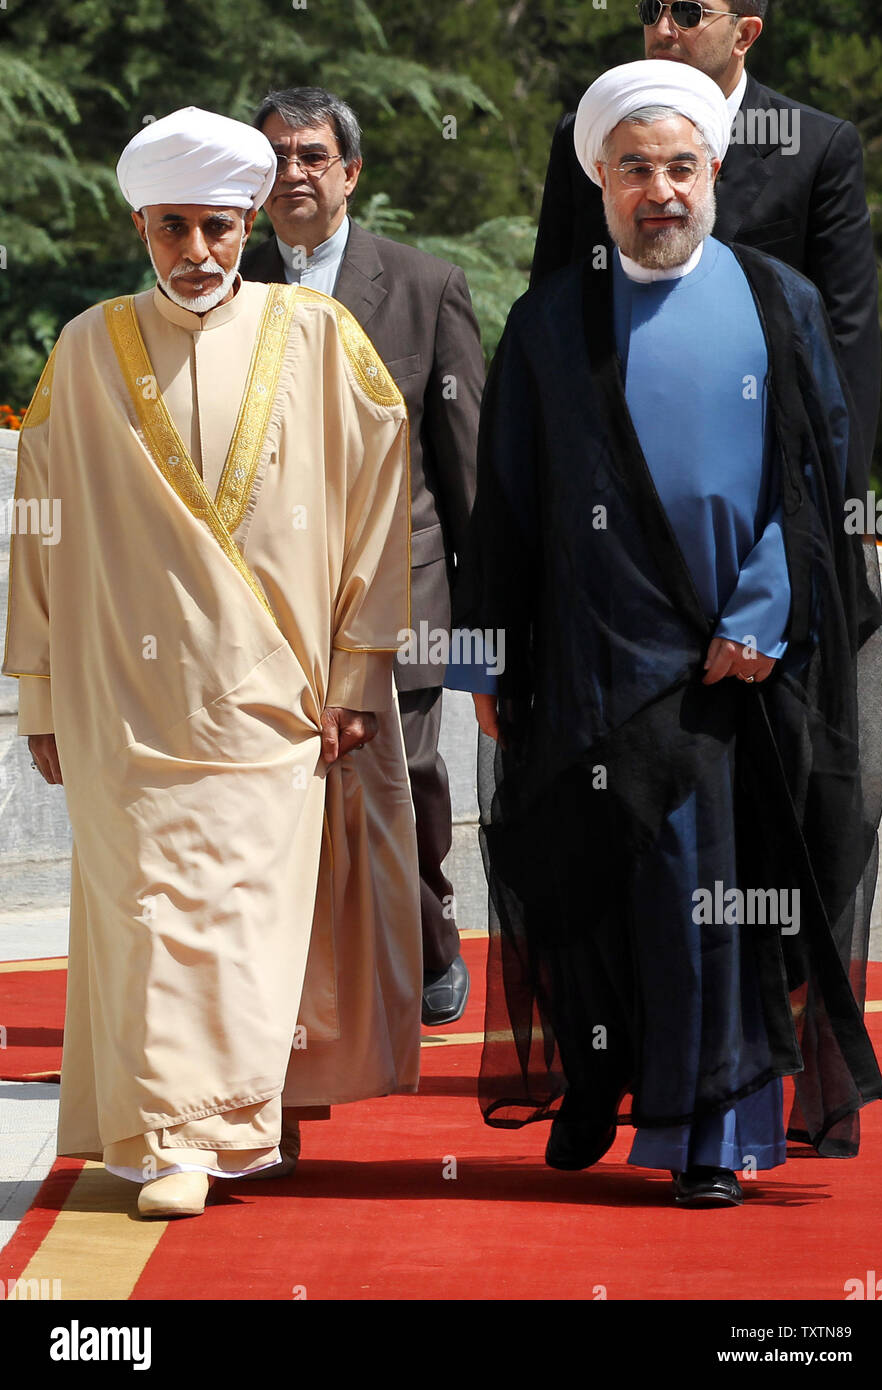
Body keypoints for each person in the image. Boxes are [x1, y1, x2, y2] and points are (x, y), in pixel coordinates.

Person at [450, 60, 882, 1207]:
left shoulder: (777, 300)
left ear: (714, 172)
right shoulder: (546, 321)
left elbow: (817, 483)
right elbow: (504, 501)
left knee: (710, 898)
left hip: (738, 666)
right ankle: (606, 1079)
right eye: (633, 168)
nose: (660, 190)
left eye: (680, 167)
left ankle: (710, 1139)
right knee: (588, 883)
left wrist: (760, 613)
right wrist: (483, 657)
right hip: (595, 659)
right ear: (598, 180)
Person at [2, 106, 419, 1218]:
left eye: (219, 229)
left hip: (268, 702)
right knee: (145, 917)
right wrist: (37, 690)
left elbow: (381, 499)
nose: (196, 254)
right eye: (173, 229)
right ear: (140, 223)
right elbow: (36, 523)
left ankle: (225, 1122)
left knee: (241, 922)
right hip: (120, 704)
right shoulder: (87, 346)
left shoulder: (317, 334)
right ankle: (168, 1140)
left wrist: (354, 671)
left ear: (250, 223)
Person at [241, 87, 485, 1027]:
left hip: (399, 591)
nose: (294, 173)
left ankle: (430, 944)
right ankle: (292, 973)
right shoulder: (228, 282)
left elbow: (464, 469)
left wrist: (487, 620)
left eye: (312, 156)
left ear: (351, 173)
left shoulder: (426, 287)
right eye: (276, 159)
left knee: (407, 781)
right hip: (266, 604)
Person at [531, 0, 882, 478]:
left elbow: (848, 340)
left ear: (745, 34)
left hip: (761, 466)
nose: (662, 29)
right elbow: (550, 303)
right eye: (650, 8)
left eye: (688, 13)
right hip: (605, 459)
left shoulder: (818, 147)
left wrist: (841, 500)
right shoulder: (588, 135)